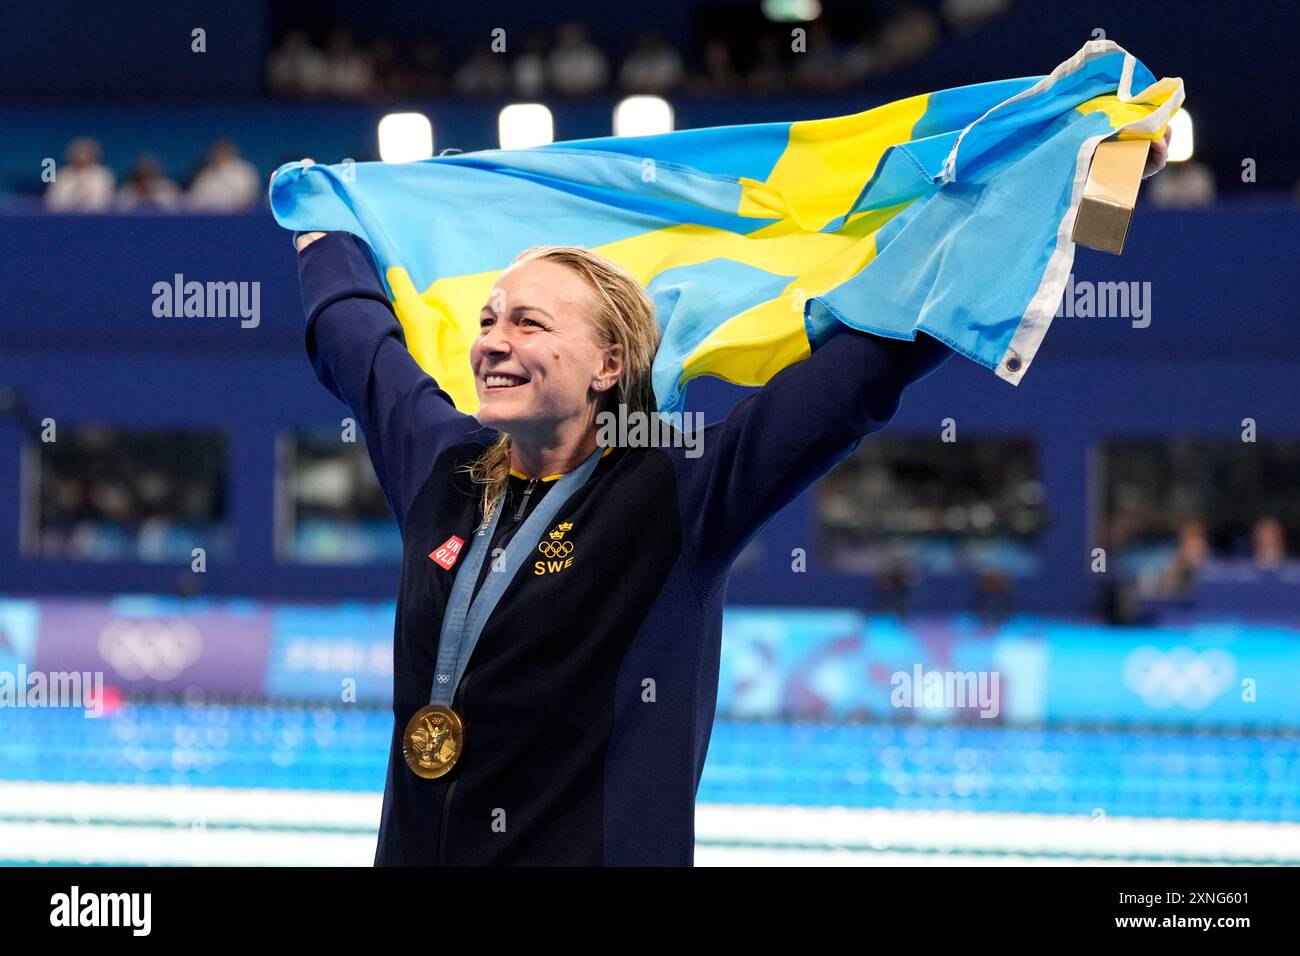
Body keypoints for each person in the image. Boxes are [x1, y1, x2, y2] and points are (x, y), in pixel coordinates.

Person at [288, 138, 1170, 866]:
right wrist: (320, 209)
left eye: (527, 323)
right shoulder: (447, 468)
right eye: (487, 319)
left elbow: (862, 371)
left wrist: (1052, 179)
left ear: (607, 369)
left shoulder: (674, 489)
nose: (490, 342)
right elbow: (355, 341)